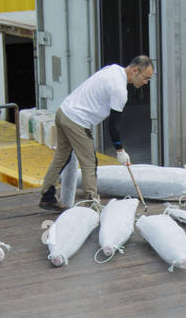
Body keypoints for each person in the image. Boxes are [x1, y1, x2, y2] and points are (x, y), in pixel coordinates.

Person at [37, 56, 155, 211]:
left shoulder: (112, 68)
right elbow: (113, 125)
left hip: (63, 112)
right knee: (90, 162)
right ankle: (92, 204)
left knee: (62, 157)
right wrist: (120, 151)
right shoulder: (120, 90)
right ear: (135, 70)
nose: (146, 82)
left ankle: (47, 196)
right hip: (76, 121)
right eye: (146, 78)